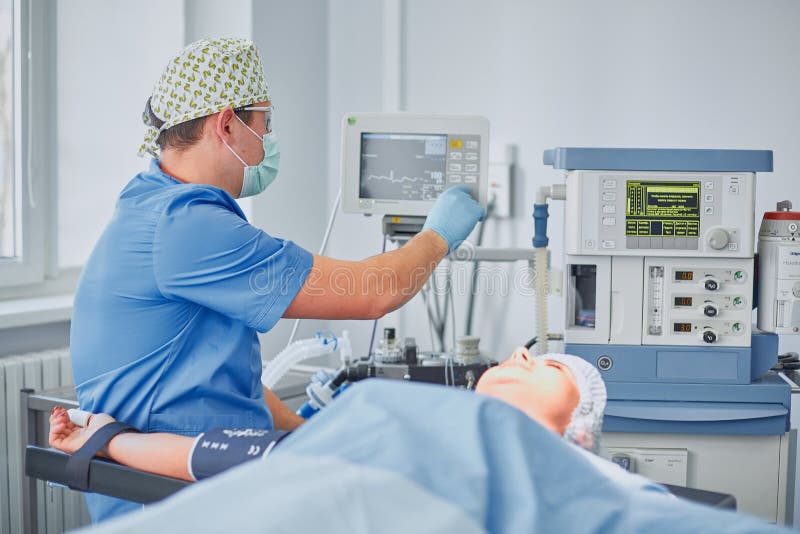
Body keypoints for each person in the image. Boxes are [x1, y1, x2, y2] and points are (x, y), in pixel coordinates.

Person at [69, 37, 484, 522]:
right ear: (227, 124)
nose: (268, 139)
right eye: (265, 123)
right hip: (173, 500)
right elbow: (374, 291)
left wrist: (310, 431)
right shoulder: (187, 227)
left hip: (202, 473)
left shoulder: (155, 203)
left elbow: (215, 375)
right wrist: (439, 234)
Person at [51, 351, 786, 533]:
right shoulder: (384, 415)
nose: (524, 356)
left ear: (579, 429)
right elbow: (208, 456)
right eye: (524, 350)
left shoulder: (607, 483)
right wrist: (102, 437)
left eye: (554, 365)